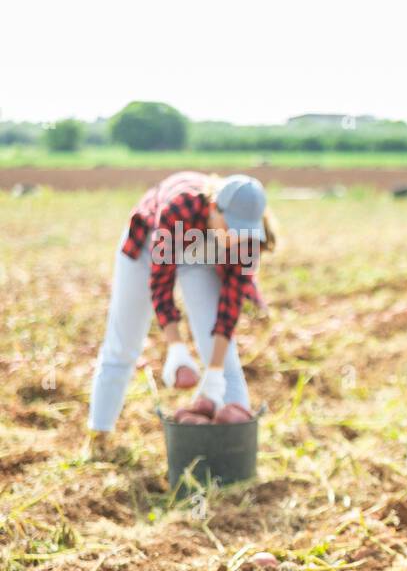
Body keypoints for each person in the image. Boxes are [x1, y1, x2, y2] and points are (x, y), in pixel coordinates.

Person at [87, 172, 275, 452]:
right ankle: (98, 439)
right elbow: (161, 285)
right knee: (123, 345)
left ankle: (236, 451)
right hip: (150, 243)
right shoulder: (179, 207)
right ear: (214, 208)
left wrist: (213, 371)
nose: (236, 238)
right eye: (231, 228)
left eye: (243, 231)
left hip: (202, 250)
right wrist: (176, 349)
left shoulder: (244, 239)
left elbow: (229, 308)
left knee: (225, 360)